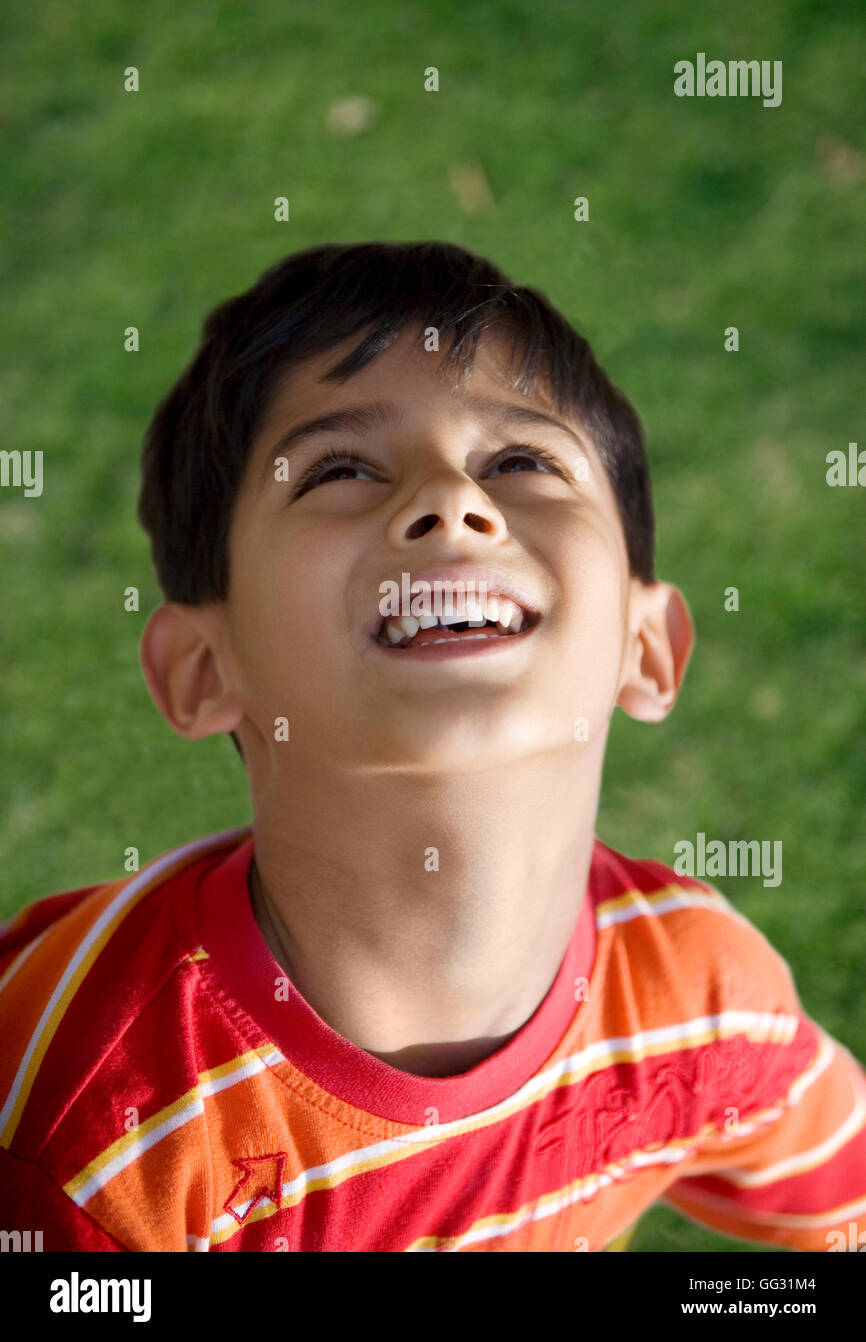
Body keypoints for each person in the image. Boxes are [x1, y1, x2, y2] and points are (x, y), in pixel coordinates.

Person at [1, 241, 863, 1252]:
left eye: (520, 461)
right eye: (340, 469)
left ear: (647, 646)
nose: (453, 501)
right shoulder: (85, 1141)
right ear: (201, 668)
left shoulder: (699, 1003)